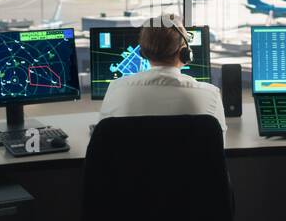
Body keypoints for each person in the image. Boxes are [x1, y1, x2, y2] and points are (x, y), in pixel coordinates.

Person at [97, 14, 226, 135]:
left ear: (143, 53)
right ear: (185, 53)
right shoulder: (211, 96)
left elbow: (102, 142)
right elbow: (218, 147)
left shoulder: (116, 90)